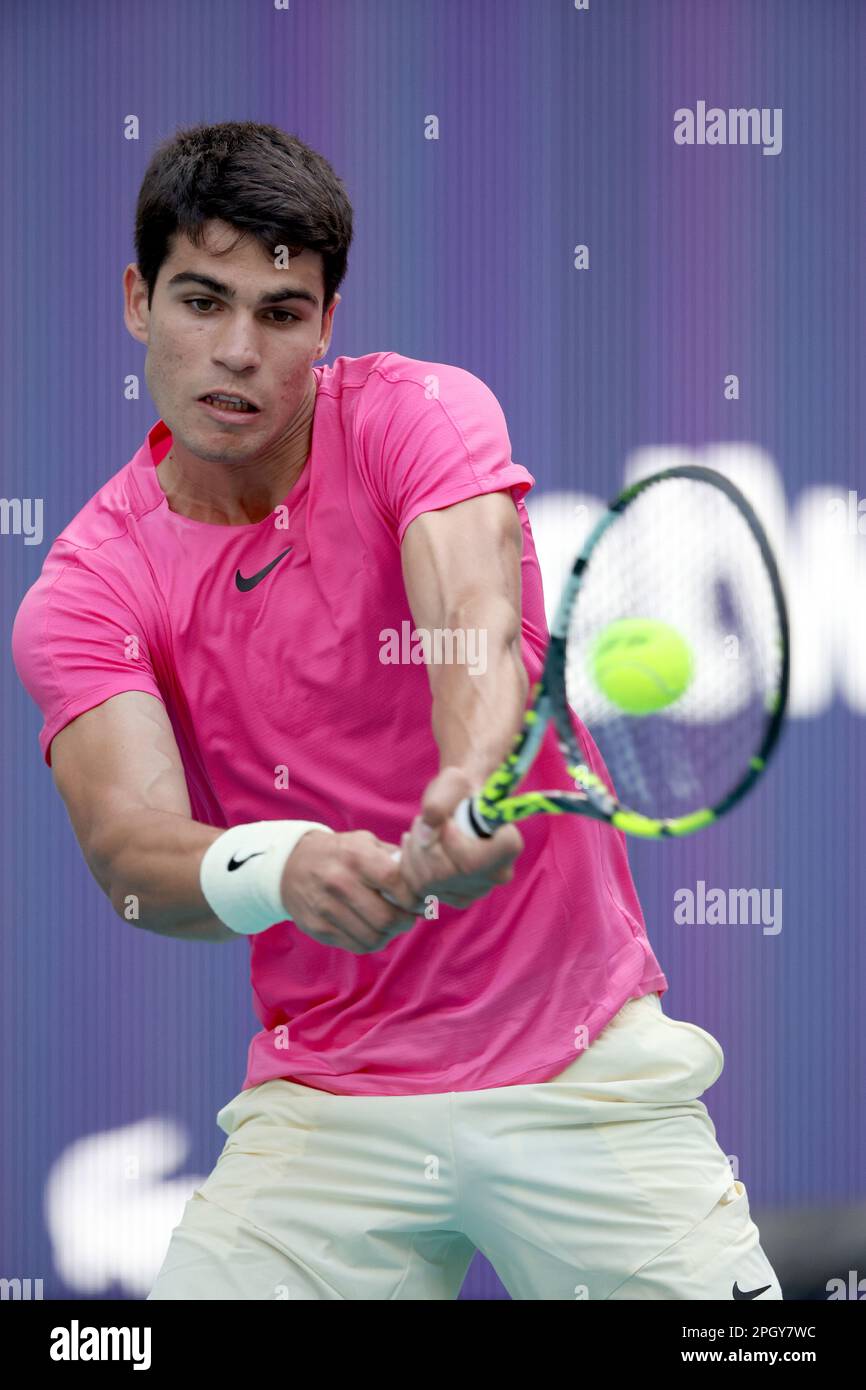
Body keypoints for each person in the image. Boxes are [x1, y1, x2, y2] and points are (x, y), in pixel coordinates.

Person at [11, 120, 782, 1300]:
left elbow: (469, 611)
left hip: (579, 1064)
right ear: (135, 299)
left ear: (325, 323)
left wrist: (472, 778)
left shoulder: (416, 415)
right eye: (199, 300)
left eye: (279, 313)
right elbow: (129, 853)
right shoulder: (88, 586)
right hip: (330, 1097)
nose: (236, 351)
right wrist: (284, 865)